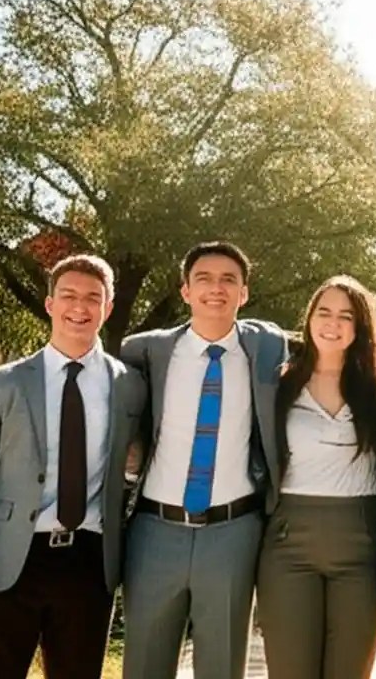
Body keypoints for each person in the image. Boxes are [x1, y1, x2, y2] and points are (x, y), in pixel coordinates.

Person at [0, 255, 147, 678]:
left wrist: (132, 470)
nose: (80, 307)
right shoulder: (5, 382)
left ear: (107, 309)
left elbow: (133, 469)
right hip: (9, 560)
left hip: (89, 562)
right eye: (69, 295)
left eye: (93, 298)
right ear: (50, 303)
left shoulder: (130, 384)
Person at [119, 241, 288, 679]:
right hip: (154, 533)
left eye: (229, 280)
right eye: (204, 279)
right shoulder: (143, 352)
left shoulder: (267, 349)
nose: (217, 289)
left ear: (244, 294)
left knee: (222, 667)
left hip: (233, 534)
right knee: (144, 666)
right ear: (185, 291)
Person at [256, 275, 376, 678]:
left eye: (345, 316)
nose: (332, 324)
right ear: (310, 318)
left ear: (360, 327)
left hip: (361, 550)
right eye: (324, 312)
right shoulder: (278, 385)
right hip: (288, 548)